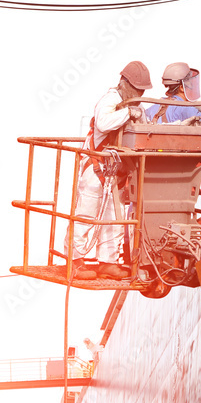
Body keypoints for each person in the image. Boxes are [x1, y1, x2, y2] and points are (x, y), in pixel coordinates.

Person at [68, 61, 152, 280]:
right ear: (124, 83)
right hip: (96, 169)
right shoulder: (111, 100)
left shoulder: (135, 105)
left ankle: (108, 262)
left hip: (115, 173)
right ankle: (74, 261)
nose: (139, 94)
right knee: (85, 215)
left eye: (142, 91)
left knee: (113, 218)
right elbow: (104, 124)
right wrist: (128, 113)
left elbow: (146, 127)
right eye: (137, 89)